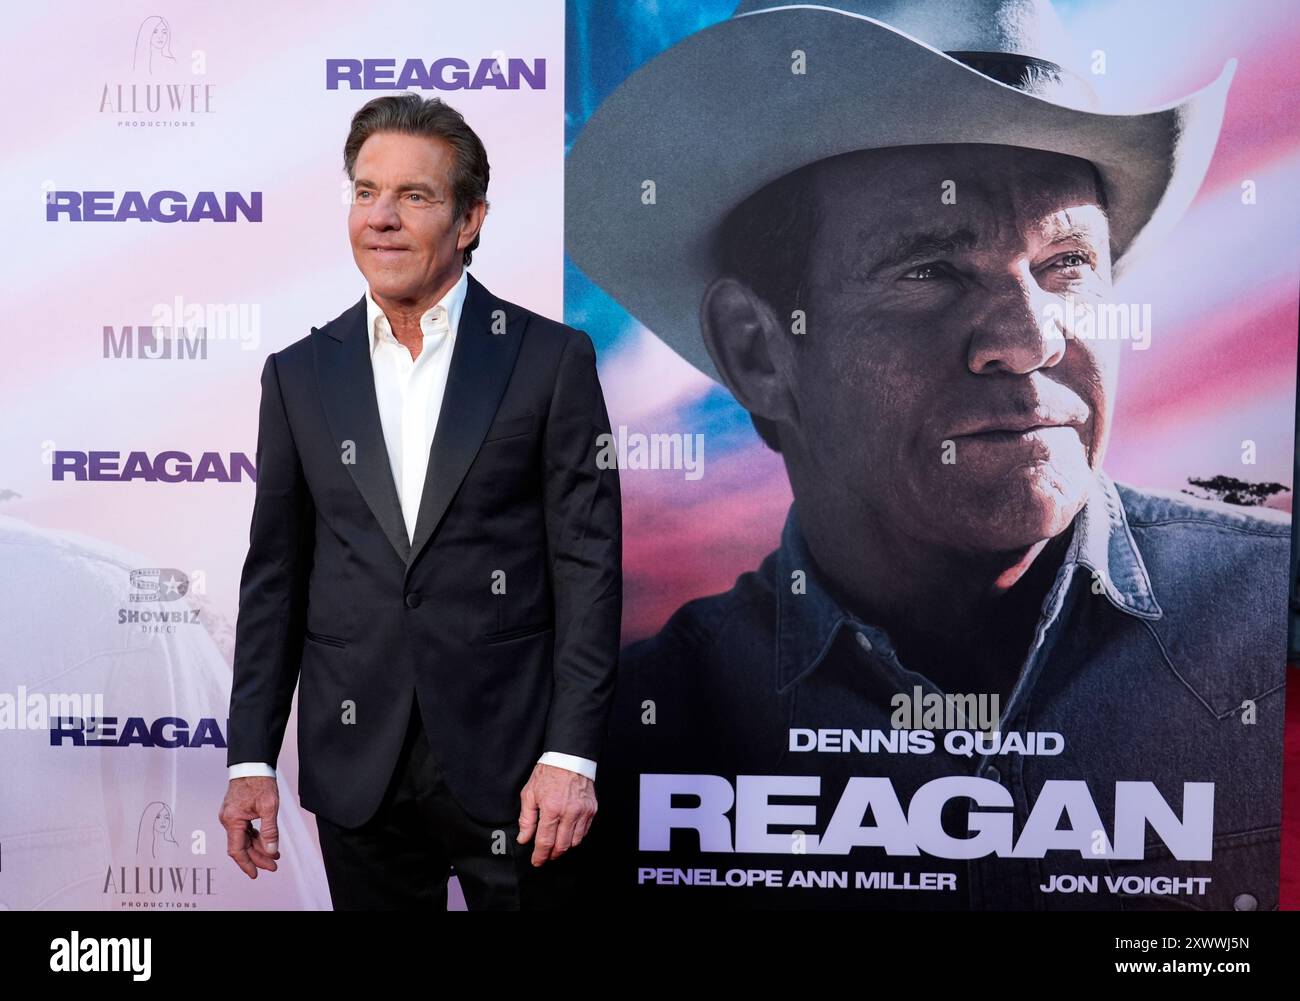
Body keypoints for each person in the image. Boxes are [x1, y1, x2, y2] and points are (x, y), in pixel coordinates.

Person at [566, 0, 1289, 909]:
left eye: (1067, 263)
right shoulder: (628, 744)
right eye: (930, 270)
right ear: (757, 350)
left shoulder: (1274, 628)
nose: (1028, 338)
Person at [219, 93, 622, 910]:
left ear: (470, 219)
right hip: (356, 773)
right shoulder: (297, 375)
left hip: (519, 773)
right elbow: (275, 580)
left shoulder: (549, 361)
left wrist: (571, 756)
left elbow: (588, 569)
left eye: (415, 195)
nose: (383, 219)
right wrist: (252, 759)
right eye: (366, 192)